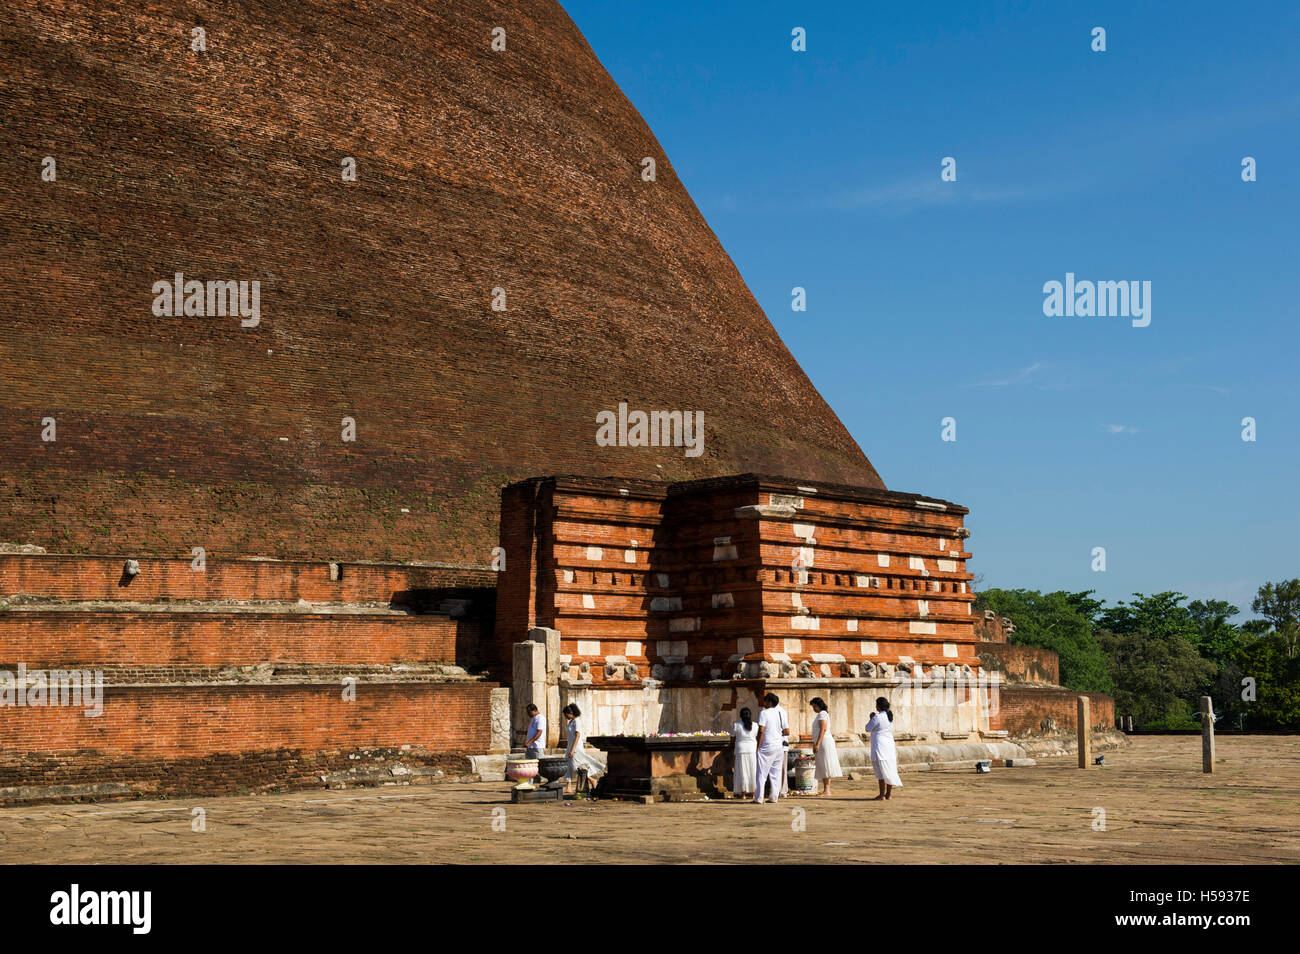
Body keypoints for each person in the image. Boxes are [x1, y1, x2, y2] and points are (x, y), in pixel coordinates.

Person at [866, 696, 903, 800]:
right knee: (889, 769)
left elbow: (867, 728)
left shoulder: (877, 717)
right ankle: (888, 794)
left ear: (879, 706)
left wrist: (871, 717)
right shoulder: (889, 716)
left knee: (880, 770)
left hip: (879, 745)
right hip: (889, 745)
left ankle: (882, 794)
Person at [563, 703, 601, 795]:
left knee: (577, 767)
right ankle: (568, 786)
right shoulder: (571, 722)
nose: (565, 716)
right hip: (570, 746)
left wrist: (572, 749)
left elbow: (577, 735)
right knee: (567, 766)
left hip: (576, 747)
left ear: (571, 713)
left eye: (566, 714)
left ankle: (592, 779)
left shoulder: (577, 721)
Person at [753, 694, 785, 803]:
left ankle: (758, 797)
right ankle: (774, 797)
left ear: (770, 702)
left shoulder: (764, 713)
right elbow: (786, 730)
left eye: (765, 701)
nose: (764, 703)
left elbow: (761, 730)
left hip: (767, 745)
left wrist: (758, 745)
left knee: (761, 773)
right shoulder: (780, 713)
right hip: (778, 745)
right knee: (776, 773)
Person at [810, 697, 841, 796]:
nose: (813, 708)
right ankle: (826, 789)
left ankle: (827, 789)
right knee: (823, 764)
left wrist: (817, 744)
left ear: (818, 705)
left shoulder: (822, 714)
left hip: (824, 742)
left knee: (825, 764)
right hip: (822, 741)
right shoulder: (821, 714)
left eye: (814, 706)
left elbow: (823, 729)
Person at [731, 706, 758, 799]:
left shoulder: (736, 725)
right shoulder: (755, 725)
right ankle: (753, 793)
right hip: (752, 750)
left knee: (742, 771)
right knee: (752, 771)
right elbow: (758, 737)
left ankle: (743, 794)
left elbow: (732, 738)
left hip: (740, 750)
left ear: (740, 716)